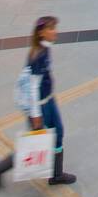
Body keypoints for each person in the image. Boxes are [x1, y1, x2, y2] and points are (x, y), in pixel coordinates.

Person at [26, 15, 75, 184]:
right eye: (51, 29)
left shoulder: (45, 48)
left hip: (48, 99)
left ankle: (56, 174)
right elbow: (32, 87)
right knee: (37, 142)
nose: (56, 32)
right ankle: (2, 167)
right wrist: (36, 114)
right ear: (41, 33)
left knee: (58, 132)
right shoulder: (37, 56)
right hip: (41, 106)